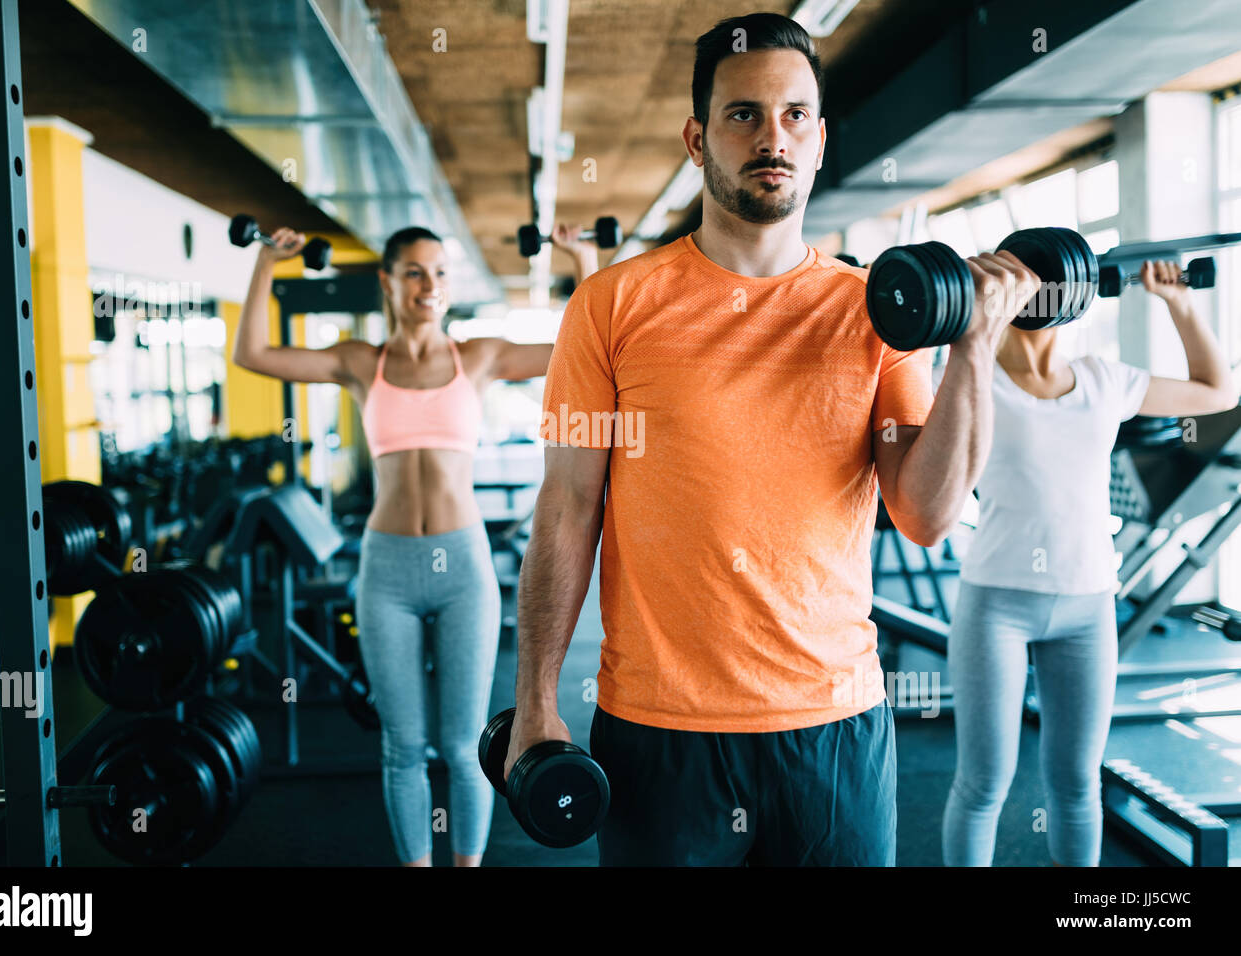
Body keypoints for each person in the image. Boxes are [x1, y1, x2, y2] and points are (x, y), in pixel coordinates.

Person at [502, 11, 1042, 866]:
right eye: (743, 114)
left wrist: (974, 348)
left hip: (831, 726)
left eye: (795, 115)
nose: (772, 136)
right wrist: (535, 698)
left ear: (821, 140)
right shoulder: (608, 306)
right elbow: (568, 506)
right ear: (697, 137)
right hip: (658, 728)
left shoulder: (875, 311)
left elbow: (929, 514)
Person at [232, 222, 595, 865]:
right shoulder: (359, 362)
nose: (430, 286)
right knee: (402, 745)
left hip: (463, 568)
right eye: (414, 273)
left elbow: (586, 339)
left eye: (440, 273)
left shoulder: (477, 356)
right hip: (388, 570)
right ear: (388, 282)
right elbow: (254, 353)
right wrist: (266, 262)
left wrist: (584, 258)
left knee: (462, 746)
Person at [942, 259, 1238, 867]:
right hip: (995, 603)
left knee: (1076, 786)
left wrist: (1178, 302)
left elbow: (1219, 392)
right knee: (982, 785)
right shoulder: (975, 374)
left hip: (1088, 607)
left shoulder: (1105, 379)